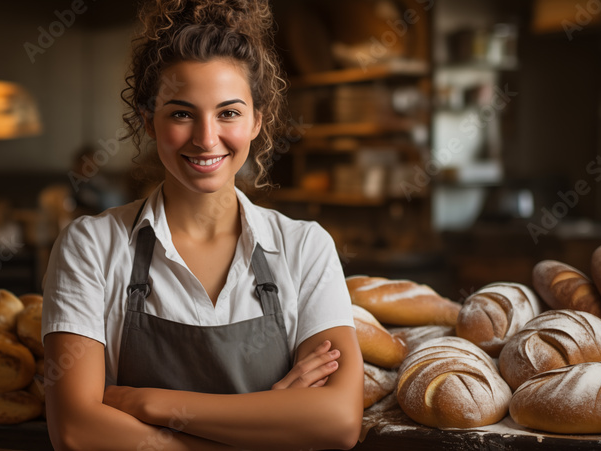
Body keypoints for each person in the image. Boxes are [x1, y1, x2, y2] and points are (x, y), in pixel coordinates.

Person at [42, 1, 364, 449]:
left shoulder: (304, 247)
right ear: (148, 121)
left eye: (228, 113)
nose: (206, 138)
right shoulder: (90, 246)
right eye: (180, 113)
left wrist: (155, 405)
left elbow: (338, 421)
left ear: (258, 121)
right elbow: (76, 430)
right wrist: (266, 424)